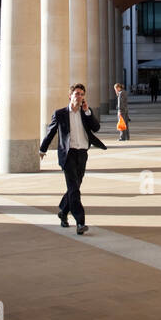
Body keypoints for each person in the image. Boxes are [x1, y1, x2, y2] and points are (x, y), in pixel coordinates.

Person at [39, 83, 106, 235]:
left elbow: (96, 128)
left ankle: (63, 211)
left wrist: (88, 112)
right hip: (68, 155)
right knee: (74, 189)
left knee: (74, 186)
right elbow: (51, 132)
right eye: (76, 93)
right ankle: (80, 222)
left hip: (82, 153)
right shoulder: (60, 113)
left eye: (82, 94)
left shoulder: (85, 112)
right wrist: (43, 148)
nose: (79, 96)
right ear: (70, 96)